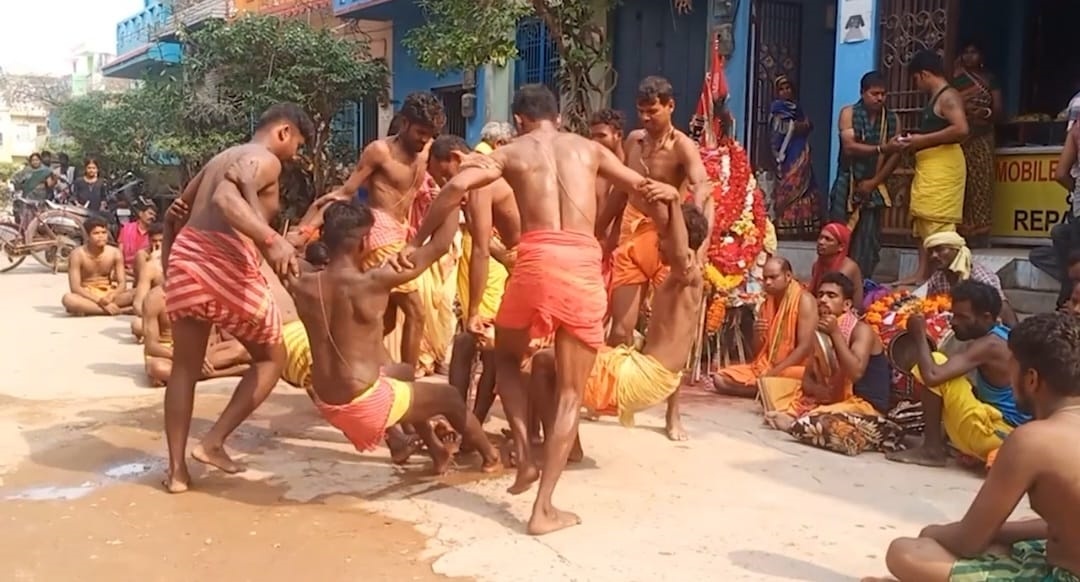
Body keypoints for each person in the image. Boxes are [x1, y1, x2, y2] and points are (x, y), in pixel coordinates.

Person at [398, 84, 676, 535]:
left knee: (505, 356)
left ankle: (525, 457)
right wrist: (670, 195)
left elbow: (453, 189)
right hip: (583, 268)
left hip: (534, 262)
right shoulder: (590, 150)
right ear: (559, 118)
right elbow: (643, 191)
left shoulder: (510, 152)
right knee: (570, 391)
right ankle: (544, 508)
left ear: (521, 121)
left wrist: (415, 243)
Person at [160, 102, 311, 493]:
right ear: (283, 132)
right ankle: (213, 442)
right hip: (225, 260)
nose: (296, 154)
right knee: (271, 358)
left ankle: (176, 472)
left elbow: (177, 213)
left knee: (183, 369)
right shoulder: (264, 159)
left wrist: (168, 267)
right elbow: (224, 203)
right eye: (298, 143)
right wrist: (272, 239)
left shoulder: (221, 158)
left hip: (187, 257)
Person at [288, 200, 501, 475]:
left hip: (326, 401)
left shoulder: (300, 282)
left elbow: (270, 249)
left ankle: (428, 448)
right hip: (365, 404)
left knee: (403, 372)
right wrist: (451, 195)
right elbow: (439, 246)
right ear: (364, 242)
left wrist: (286, 240)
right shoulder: (374, 282)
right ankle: (491, 457)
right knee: (448, 397)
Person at [864, 312, 1080, 582]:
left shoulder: (1033, 440)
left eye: (1011, 371)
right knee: (1002, 543)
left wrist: (933, 532)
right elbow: (1060, 523)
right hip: (1061, 555)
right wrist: (998, 532)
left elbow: (968, 541)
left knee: (907, 552)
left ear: (1032, 379)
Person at [534, 200, 706, 449]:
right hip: (647, 371)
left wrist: (671, 199)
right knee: (563, 354)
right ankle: (566, 445)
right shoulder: (679, 275)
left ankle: (559, 447)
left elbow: (680, 250)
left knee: (544, 362)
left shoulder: (688, 274)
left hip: (644, 379)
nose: (657, 243)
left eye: (662, 237)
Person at [321, 92, 446, 373]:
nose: (424, 139)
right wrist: (307, 227)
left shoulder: (428, 151)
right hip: (379, 232)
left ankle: (345, 366)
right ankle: (407, 385)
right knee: (416, 310)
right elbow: (347, 191)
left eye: (430, 134)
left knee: (384, 319)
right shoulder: (380, 151)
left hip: (403, 235)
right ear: (403, 123)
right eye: (420, 132)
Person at [602, 76, 712, 348]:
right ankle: (620, 389)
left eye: (652, 111)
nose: (645, 117)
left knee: (664, 331)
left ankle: (660, 388)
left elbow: (702, 188)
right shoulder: (633, 140)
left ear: (670, 106)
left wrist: (696, 246)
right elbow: (620, 190)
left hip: (667, 239)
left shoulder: (682, 146)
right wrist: (597, 232)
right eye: (641, 111)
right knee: (619, 332)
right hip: (631, 235)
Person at [886, 280, 1031, 469]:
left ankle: (931, 449)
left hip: (999, 436)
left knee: (936, 362)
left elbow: (932, 375)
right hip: (1006, 435)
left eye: (962, 317)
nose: (953, 322)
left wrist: (919, 335)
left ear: (986, 317)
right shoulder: (1000, 336)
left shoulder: (990, 345)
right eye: (954, 315)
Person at [427, 134, 517, 423]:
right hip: (488, 262)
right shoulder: (476, 175)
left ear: (456, 158)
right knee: (466, 340)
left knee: (488, 344)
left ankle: (473, 421)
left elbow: (482, 248)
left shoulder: (477, 177)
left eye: (444, 175)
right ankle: (459, 418)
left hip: (502, 266)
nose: (446, 184)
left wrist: (476, 308)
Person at [765, 272, 889, 432]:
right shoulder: (820, 330)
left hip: (865, 406)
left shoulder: (861, 330)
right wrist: (819, 391)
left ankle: (797, 423)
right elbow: (807, 379)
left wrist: (836, 333)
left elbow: (855, 373)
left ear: (847, 305)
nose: (823, 300)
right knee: (771, 387)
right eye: (821, 295)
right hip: (835, 400)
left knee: (819, 418)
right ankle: (802, 419)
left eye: (831, 296)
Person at [893, 50, 969, 285]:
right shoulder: (936, 97)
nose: (916, 85)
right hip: (929, 167)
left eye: (915, 79)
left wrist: (920, 141)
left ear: (924, 74)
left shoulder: (948, 97)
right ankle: (922, 274)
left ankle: (951, 276)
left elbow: (961, 129)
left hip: (944, 169)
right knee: (922, 220)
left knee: (939, 222)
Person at [829, 71, 902, 277]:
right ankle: (835, 280)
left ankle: (861, 282)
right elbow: (849, 147)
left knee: (868, 241)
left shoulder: (892, 119)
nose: (880, 98)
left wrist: (874, 182)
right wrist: (881, 149)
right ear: (862, 93)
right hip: (848, 182)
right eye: (874, 93)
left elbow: (895, 155)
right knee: (838, 235)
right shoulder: (848, 113)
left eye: (883, 94)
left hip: (874, 185)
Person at [712, 257, 818, 397]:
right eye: (765, 278)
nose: (768, 282)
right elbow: (759, 352)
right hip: (767, 367)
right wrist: (757, 333)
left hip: (795, 368)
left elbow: (805, 347)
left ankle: (766, 388)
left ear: (788, 276)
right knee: (720, 379)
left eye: (773, 277)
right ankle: (766, 390)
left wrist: (774, 372)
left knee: (792, 375)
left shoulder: (804, 300)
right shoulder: (766, 304)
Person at [142, 285, 251, 387]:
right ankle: (224, 372)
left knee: (241, 348)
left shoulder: (202, 291)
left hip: (201, 353)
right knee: (157, 368)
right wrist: (182, 356)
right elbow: (151, 346)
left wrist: (201, 355)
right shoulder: (155, 298)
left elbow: (214, 334)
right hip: (169, 355)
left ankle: (193, 372)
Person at [952, 42, 1002, 245]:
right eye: (965, 52)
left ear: (981, 56)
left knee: (981, 182)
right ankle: (961, 232)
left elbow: (998, 111)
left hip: (982, 137)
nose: (969, 56)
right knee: (962, 182)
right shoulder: (955, 81)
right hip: (961, 139)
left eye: (974, 52)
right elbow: (948, 107)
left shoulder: (990, 80)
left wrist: (985, 113)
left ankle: (980, 233)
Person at [923, 231, 1019, 327]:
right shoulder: (937, 278)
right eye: (931, 252)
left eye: (940, 250)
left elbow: (1003, 310)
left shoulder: (980, 277)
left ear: (956, 251)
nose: (933, 256)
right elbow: (930, 309)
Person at [771, 75, 822, 237]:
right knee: (789, 182)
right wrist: (793, 127)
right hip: (785, 152)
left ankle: (804, 224)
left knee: (805, 185)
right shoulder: (776, 109)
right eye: (782, 89)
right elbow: (776, 131)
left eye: (788, 88)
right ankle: (785, 223)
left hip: (800, 150)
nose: (786, 92)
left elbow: (808, 125)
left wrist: (802, 126)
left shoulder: (797, 108)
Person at [61, 215, 134, 316]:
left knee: (137, 293)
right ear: (87, 236)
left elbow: (122, 284)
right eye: (96, 233)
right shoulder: (77, 254)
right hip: (88, 295)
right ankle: (118, 311)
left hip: (109, 294)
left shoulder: (115, 253)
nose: (101, 236)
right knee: (68, 299)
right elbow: (75, 288)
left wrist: (111, 296)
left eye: (104, 232)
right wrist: (100, 301)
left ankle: (89, 309)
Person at [808, 222, 863, 308]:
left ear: (841, 247)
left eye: (828, 239)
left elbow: (833, 302)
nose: (821, 242)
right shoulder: (816, 266)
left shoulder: (848, 268)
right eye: (820, 238)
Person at [130, 223, 165, 340]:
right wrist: (153, 262)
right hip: (153, 305)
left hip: (174, 314)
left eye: (162, 241)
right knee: (137, 325)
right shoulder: (144, 257)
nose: (158, 244)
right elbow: (138, 304)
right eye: (155, 241)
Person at [118, 200, 157, 277]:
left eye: (154, 216)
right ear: (141, 214)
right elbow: (120, 251)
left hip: (145, 271)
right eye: (150, 213)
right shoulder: (126, 228)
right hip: (125, 270)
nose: (152, 217)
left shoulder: (154, 233)